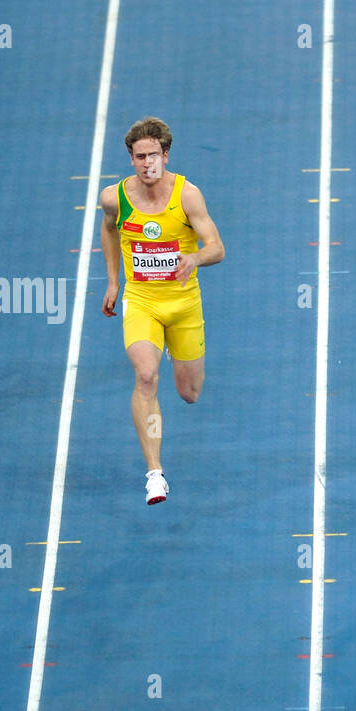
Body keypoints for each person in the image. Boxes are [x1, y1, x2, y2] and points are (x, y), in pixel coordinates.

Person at [100, 117, 224, 505]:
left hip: (184, 305)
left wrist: (195, 258)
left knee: (189, 393)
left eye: (154, 155)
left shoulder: (188, 195)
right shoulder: (114, 198)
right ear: (131, 159)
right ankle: (155, 472)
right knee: (147, 377)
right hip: (142, 303)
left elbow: (217, 247)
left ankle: (174, 347)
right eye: (140, 157)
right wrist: (113, 281)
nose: (147, 163)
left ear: (165, 155)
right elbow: (109, 229)